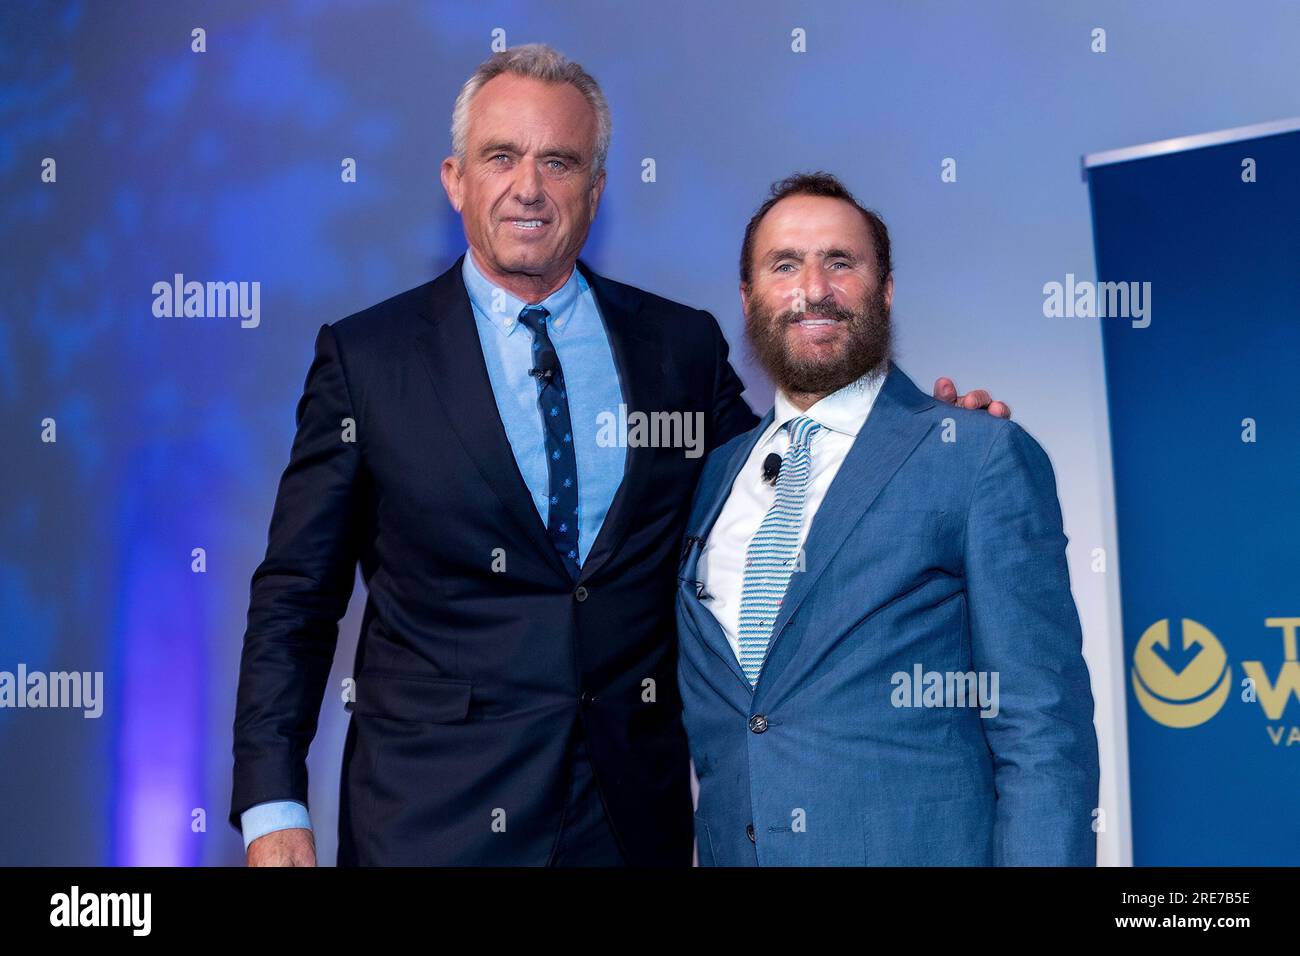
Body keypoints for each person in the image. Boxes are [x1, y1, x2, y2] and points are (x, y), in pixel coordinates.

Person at [230, 45, 1008, 866]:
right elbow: (295, 598)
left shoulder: (678, 347)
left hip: (632, 823)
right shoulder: (367, 360)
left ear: (595, 190)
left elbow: (787, 479)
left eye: (558, 162)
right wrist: (272, 805)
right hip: (432, 823)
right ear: (456, 179)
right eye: (502, 157)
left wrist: (925, 438)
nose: (529, 186)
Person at [677, 172, 1099, 866]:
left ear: (887, 290)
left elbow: (1042, 733)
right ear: (749, 300)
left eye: (840, 262)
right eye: (785, 265)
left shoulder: (977, 455)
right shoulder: (714, 477)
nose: (814, 288)